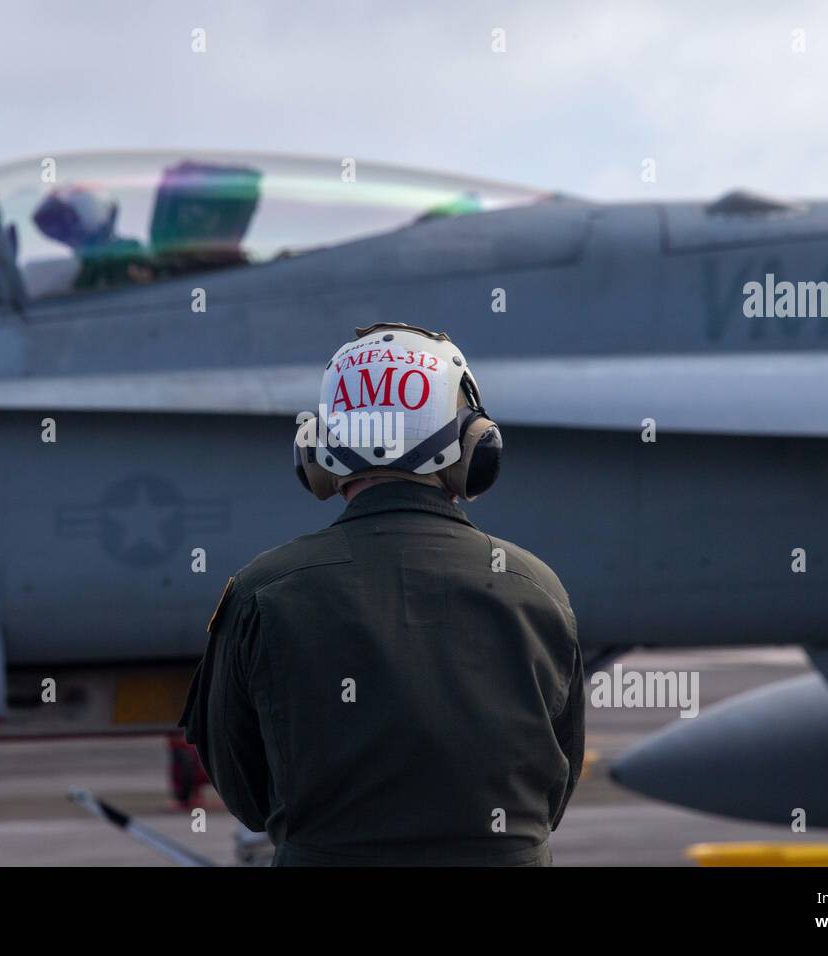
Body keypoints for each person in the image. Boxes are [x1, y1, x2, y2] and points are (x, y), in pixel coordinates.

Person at [179, 322, 584, 866]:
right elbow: (554, 790)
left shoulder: (262, 592)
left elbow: (245, 793)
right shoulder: (537, 587)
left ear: (319, 448)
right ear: (473, 444)